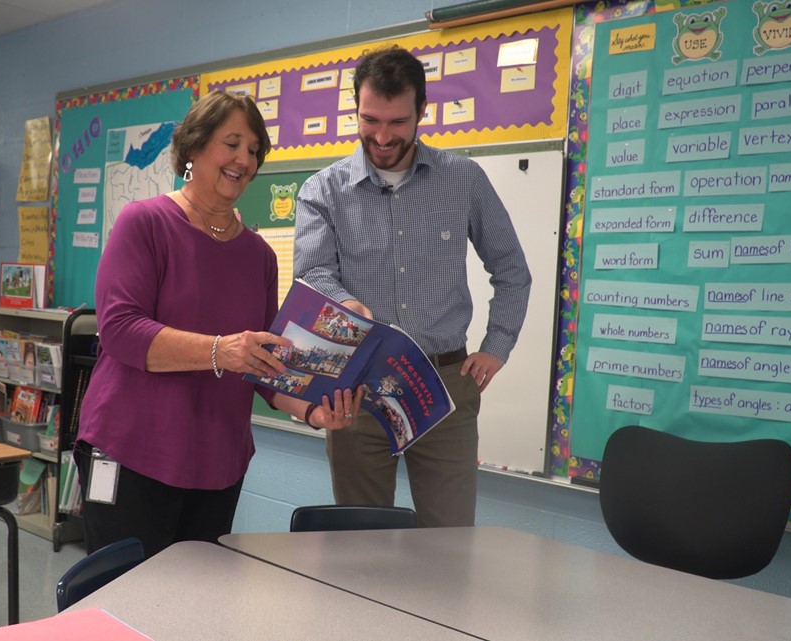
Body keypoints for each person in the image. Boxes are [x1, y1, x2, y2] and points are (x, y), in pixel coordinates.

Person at [76, 91, 361, 557]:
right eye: (231, 144)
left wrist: (312, 412)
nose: (243, 159)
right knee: (122, 607)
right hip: (133, 453)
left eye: (253, 150)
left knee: (193, 611)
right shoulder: (144, 222)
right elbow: (120, 330)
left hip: (217, 463)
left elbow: (263, 362)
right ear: (193, 149)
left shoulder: (260, 256)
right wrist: (218, 351)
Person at [293, 46, 532, 528]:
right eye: (369, 119)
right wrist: (346, 303)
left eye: (397, 122)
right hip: (356, 390)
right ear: (356, 110)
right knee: (362, 542)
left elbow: (511, 269)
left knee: (450, 538)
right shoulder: (322, 190)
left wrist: (498, 345)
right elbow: (313, 274)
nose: (382, 136)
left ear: (422, 112)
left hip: (444, 386)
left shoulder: (463, 180)